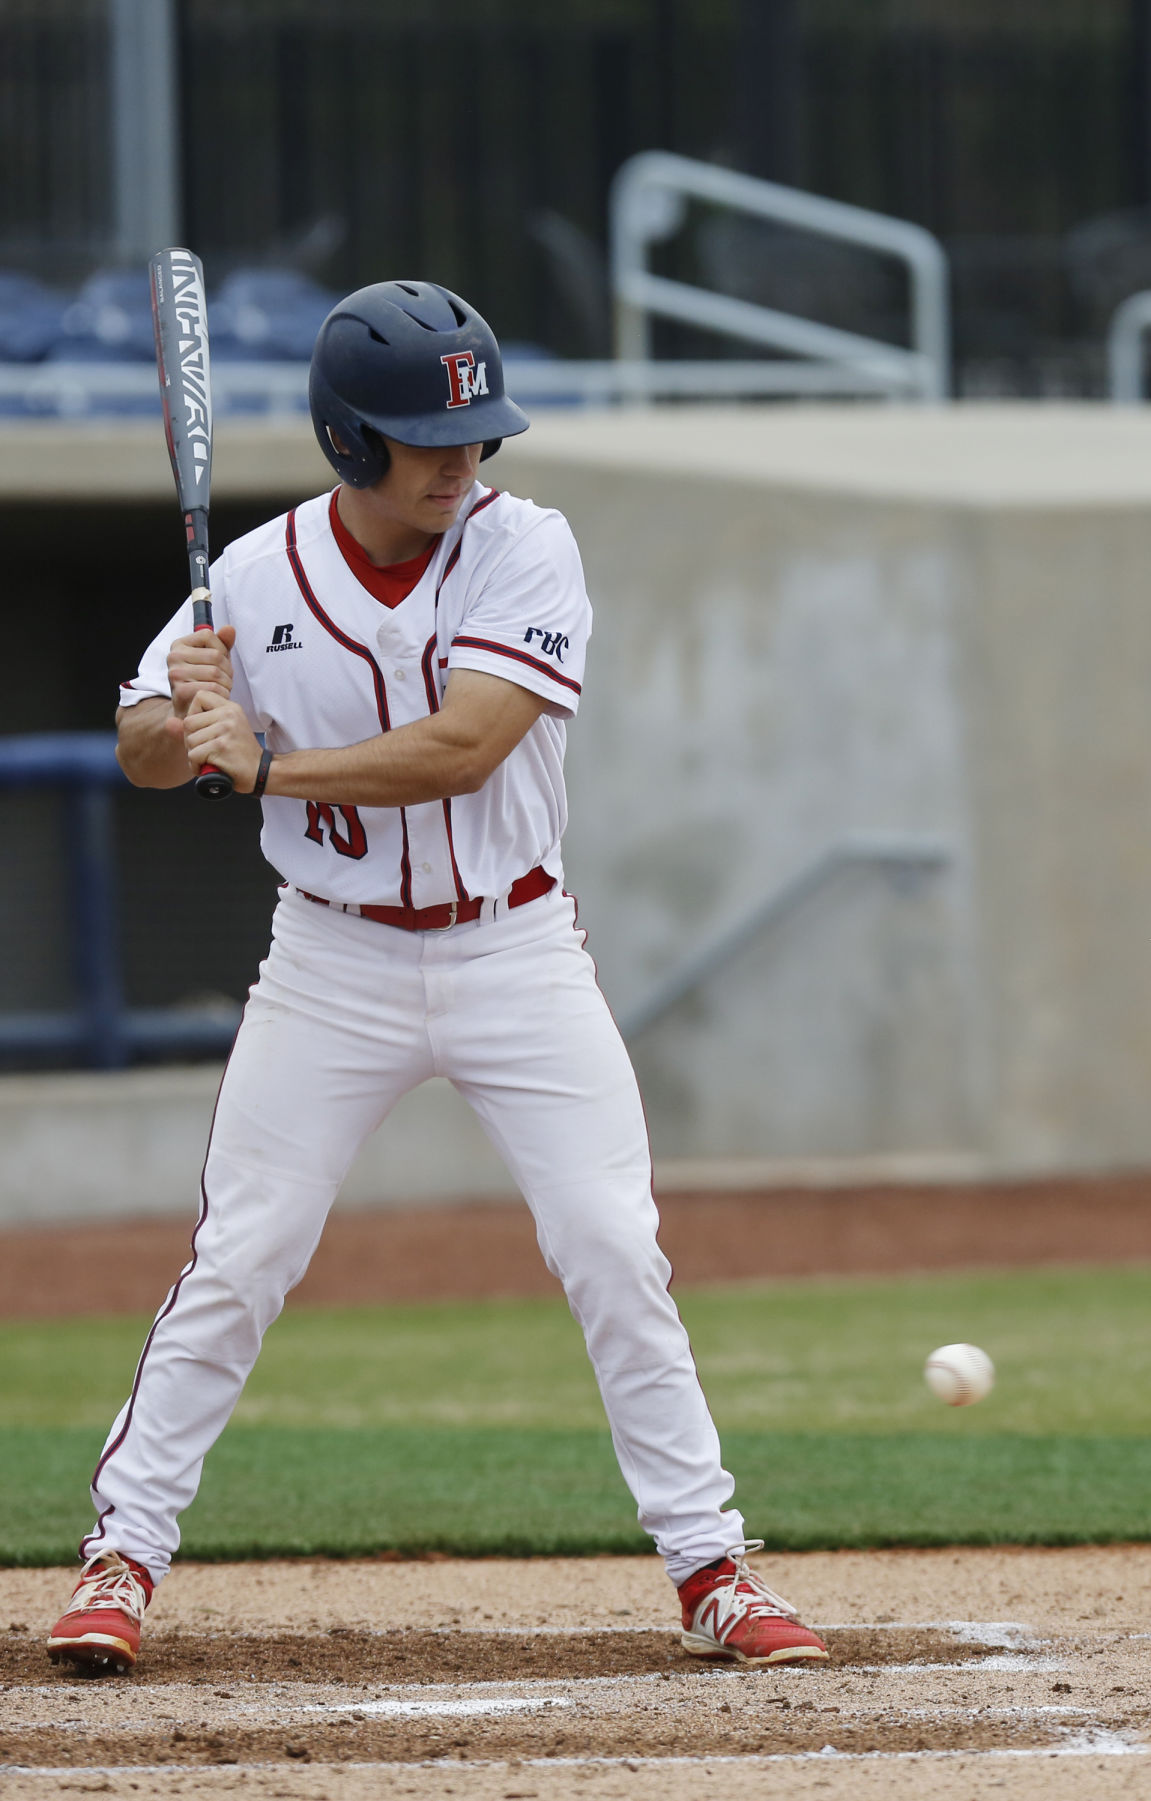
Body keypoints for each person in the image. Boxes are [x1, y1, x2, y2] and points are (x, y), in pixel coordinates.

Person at [46, 281, 828, 1675]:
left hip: (515, 948)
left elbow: (465, 745)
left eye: (473, 430)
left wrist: (268, 761)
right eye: (427, 436)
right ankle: (123, 1556)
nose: (462, 458)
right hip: (330, 959)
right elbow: (141, 751)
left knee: (611, 1244)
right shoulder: (255, 577)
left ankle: (713, 1566)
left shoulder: (529, 547)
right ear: (352, 443)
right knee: (242, 1254)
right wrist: (186, 706)